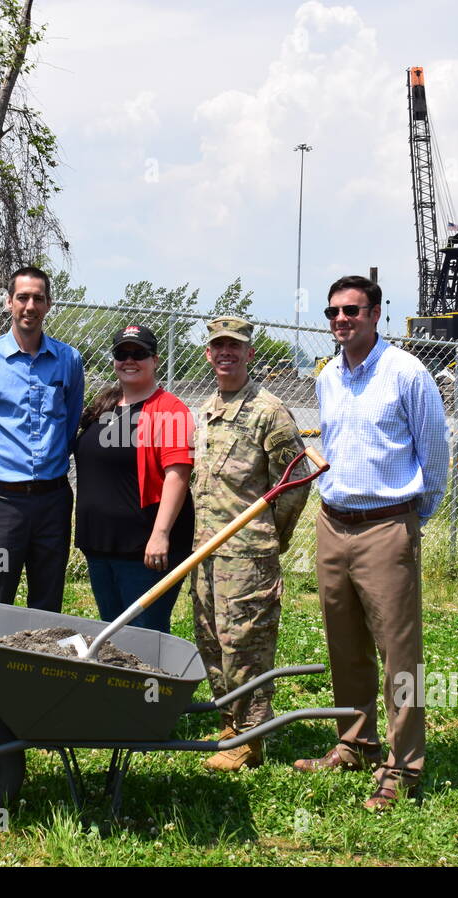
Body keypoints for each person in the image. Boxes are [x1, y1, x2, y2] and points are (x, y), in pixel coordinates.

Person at [293, 275, 448, 812]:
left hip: (387, 527)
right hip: (334, 523)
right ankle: (355, 743)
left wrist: (408, 520)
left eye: (352, 310)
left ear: (376, 312)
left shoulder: (407, 373)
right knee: (344, 643)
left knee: (399, 654)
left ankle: (404, 767)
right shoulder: (328, 377)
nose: (341, 319)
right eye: (333, 311)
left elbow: (435, 455)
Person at [192, 316, 309, 772]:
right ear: (208, 353)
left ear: (249, 354)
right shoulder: (207, 407)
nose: (226, 353)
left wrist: (268, 535)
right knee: (211, 641)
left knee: (246, 645)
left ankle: (252, 737)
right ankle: (229, 724)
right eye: (218, 346)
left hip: (248, 553)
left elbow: (294, 483)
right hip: (207, 550)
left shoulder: (269, 410)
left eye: (235, 347)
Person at [0, 267, 84, 612]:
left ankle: (38, 667)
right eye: (22, 297)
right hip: (3, 505)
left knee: (47, 598)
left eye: (38, 298)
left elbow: (70, 421)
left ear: (48, 305)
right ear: (8, 302)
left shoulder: (69, 360)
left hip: (53, 503)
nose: (30, 305)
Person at [74, 324, 194, 634]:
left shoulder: (170, 410)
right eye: (121, 353)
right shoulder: (103, 406)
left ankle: (153, 684)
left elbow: (178, 474)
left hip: (143, 549)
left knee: (144, 635)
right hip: (101, 544)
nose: (129, 360)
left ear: (155, 360)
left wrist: (161, 534)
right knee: (111, 633)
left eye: (138, 353)